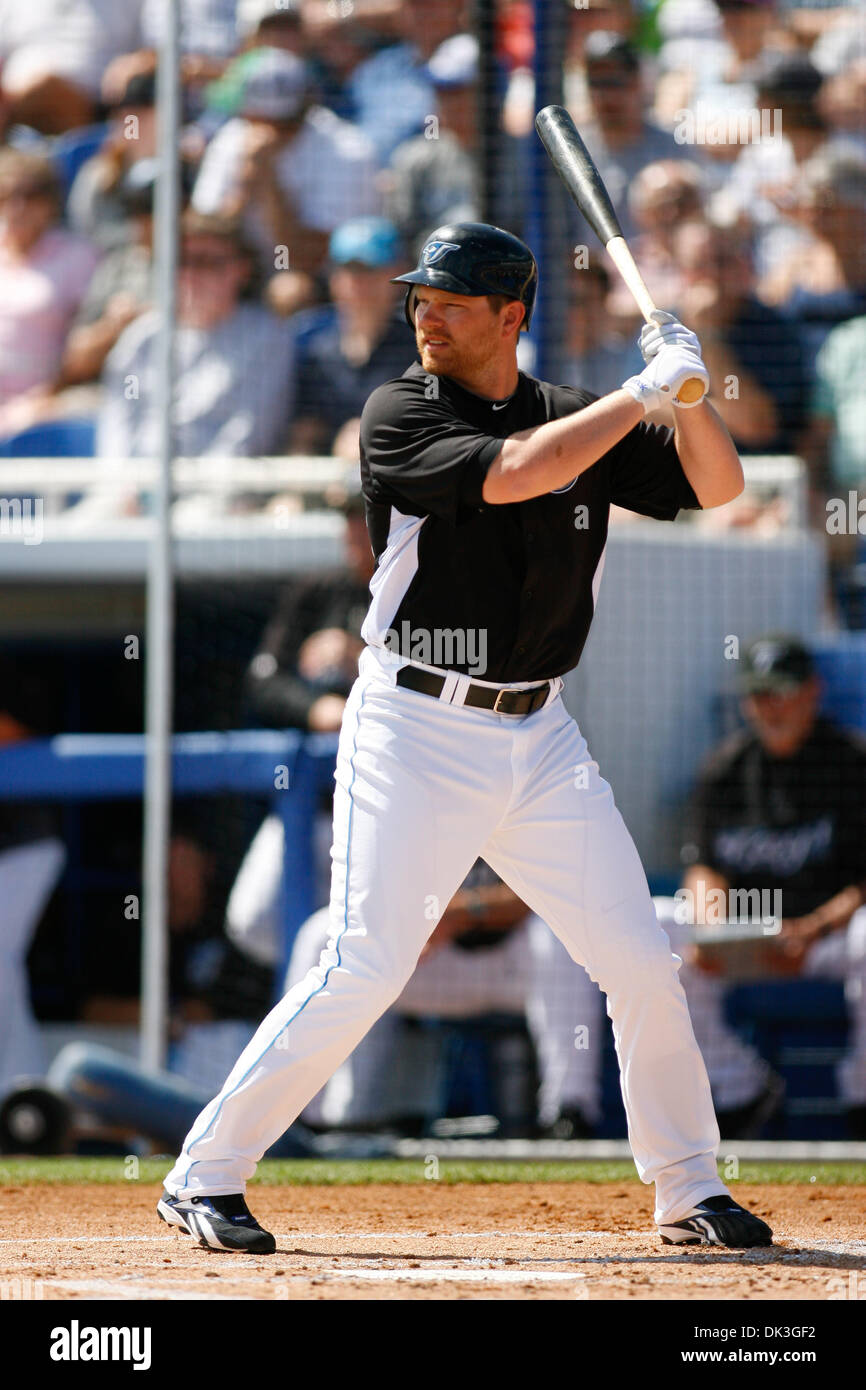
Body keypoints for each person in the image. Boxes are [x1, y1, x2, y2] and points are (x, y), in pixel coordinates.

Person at [158, 219, 773, 1254]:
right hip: (414, 726)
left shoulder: (573, 413)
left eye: (449, 303)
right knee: (364, 962)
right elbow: (515, 472)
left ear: (510, 314)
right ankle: (203, 1174)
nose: (426, 318)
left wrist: (690, 388)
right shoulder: (400, 410)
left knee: (640, 956)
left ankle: (688, 1186)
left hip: (541, 733)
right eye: (420, 301)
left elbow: (719, 486)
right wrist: (639, 395)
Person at [666, 635, 866, 1139]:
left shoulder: (851, 763)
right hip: (750, 940)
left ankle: (862, 1096)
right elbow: (703, 867)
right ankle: (740, 1088)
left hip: (830, 938)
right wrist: (713, 932)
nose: (770, 706)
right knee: (659, 929)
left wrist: (813, 929)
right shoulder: (725, 769)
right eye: (759, 694)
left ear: (813, 691)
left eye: (782, 691)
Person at [97, 210, 296, 460]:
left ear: (242, 269)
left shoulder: (267, 339)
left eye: (207, 262)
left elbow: (249, 435)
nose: (191, 274)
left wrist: (190, 483)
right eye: (181, 261)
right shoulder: (140, 339)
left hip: (223, 480)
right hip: (137, 478)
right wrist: (126, 480)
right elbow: (119, 425)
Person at [192, 46, 380, 283]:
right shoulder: (234, 137)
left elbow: (307, 259)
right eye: (256, 118)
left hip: (323, 283)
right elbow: (204, 234)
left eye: (279, 123)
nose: (265, 130)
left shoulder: (347, 149)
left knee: (290, 288)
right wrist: (245, 182)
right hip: (244, 273)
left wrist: (268, 181)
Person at [287, 217, 415, 457]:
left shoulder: (421, 349)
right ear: (333, 278)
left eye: (371, 270)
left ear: (397, 276)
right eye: (349, 271)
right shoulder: (312, 346)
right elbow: (304, 434)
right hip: (326, 474)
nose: (359, 283)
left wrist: (373, 436)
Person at [0, 149, 99, 440]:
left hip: (47, 406)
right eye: (4, 195)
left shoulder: (79, 256)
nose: (17, 206)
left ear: (51, 203)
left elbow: (86, 343)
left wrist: (49, 394)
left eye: (29, 195)